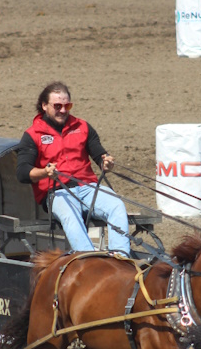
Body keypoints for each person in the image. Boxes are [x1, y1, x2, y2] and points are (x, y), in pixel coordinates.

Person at [16, 82, 131, 256]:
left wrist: (105, 162)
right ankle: (89, 260)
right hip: (56, 193)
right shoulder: (32, 135)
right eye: (57, 106)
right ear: (44, 106)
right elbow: (23, 173)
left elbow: (99, 154)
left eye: (67, 105)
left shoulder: (83, 127)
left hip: (88, 188)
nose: (63, 110)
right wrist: (44, 172)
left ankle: (121, 257)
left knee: (116, 205)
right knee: (71, 215)